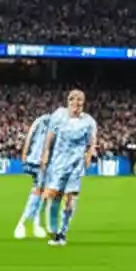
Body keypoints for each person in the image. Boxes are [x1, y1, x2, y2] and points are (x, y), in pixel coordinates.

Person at [39, 90, 98, 247]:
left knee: (70, 200)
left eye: (80, 100)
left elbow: (91, 143)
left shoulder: (89, 122)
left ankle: (62, 233)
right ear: (68, 101)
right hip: (58, 163)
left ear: (83, 103)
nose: (76, 103)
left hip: (76, 165)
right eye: (73, 99)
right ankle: (52, 229)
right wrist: (45, 153)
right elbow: (50, 135)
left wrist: (88, 157)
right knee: (53, 196)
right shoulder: (59, 115)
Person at [13, 111, 55, 240]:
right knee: (38, 192)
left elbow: (30, 136)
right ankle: (22, 223)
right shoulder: (58, 123)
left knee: (43, 193)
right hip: (40, 161)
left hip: (39, 161)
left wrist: (25, 155)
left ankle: (36, 224)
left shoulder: (40, 119)